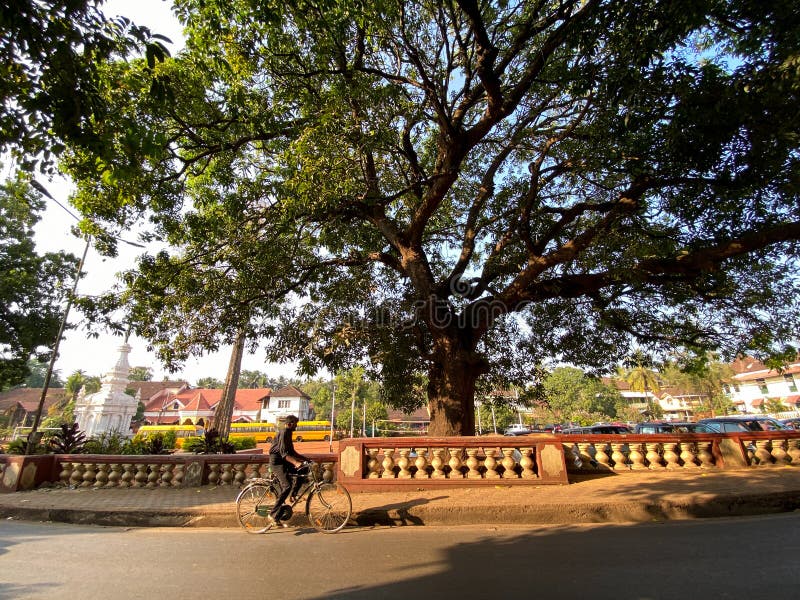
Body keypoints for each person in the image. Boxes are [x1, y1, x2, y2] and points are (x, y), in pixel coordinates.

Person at [268, 415, 309, 527]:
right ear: (290, 424)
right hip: (277, 462)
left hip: (284, 460)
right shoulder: (283, 432)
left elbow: (292, 451)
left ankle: (293, 495)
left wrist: (305, 459)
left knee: (304, 468)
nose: (296, 426)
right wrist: (296, 463)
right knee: (286, 486)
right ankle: (273, 514)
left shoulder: (289, 433)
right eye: (295, 424)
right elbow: (284, 453)